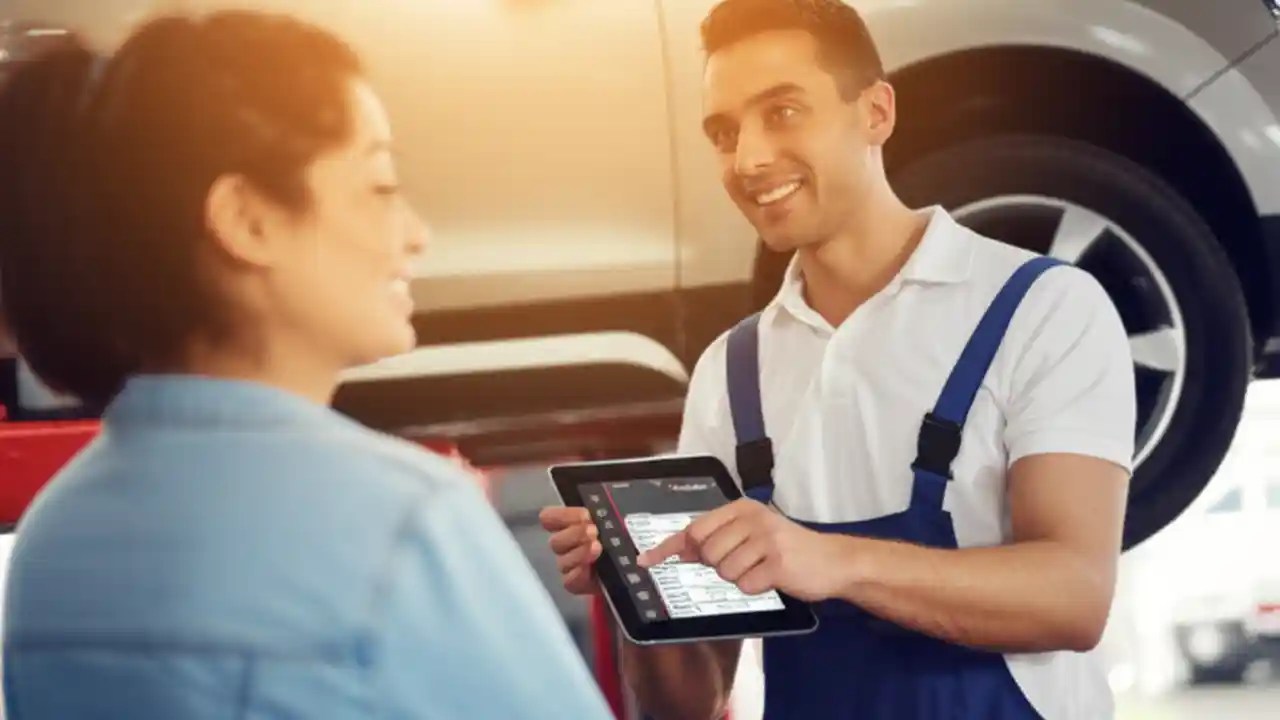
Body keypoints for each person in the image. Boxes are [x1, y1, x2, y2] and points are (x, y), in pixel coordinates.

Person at [0, 12, 611, 719]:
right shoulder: (404, 523)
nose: (417, 234)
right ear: (248, 221)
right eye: (381, 187)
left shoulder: (54, 540)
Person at [540, 1, 1135, 718]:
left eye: (783, 112)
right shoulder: (731, 374)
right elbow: (689, 704)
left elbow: (1073, 597)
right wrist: (636, 587)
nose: (749, 159)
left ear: (876, 112)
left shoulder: (1043, 309)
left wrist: (830, 560)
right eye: (724, 134)